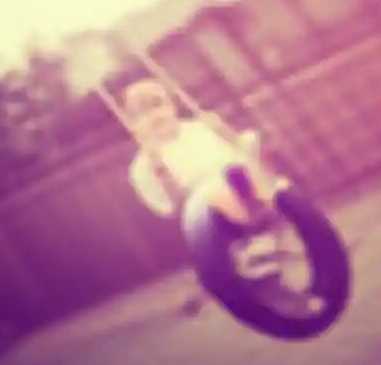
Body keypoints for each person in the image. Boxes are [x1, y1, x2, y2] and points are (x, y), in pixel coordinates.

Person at [122, 78, 287, 311]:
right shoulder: (143, 166)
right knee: (225, 200)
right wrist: (162, 175)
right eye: (142, 113)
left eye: (158, 104)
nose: (154, 115)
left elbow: (237, 155)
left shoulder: (200, 129)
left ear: (172, 106)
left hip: (238, 186)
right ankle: (255, 272)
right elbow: (171, 209)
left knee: (248, 152)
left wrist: (224, 132)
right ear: (133, 126)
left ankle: (260, 251)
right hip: (205, 211)